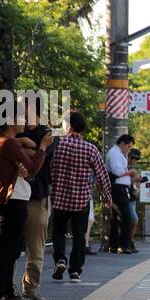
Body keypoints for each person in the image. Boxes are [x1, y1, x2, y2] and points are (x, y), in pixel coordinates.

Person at [0, 119, 52, 300]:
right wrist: (42, 147)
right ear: (8, 122)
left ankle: (7, 293)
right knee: (6, 251)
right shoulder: (7, 143)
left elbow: (26, 170)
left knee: (12, 250)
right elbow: (33, 169)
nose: (24, 121)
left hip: (13, 200)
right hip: (11, 202)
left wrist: (23, 165)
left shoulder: (5, 143)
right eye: (19, 118)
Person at [50, 111, 114, 282]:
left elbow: (46, 169)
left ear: (68, 126)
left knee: (58, 231)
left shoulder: (56, 145)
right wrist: (107, 197)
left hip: (59, 198)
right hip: (81, 199)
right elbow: (101, 175)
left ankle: (60, 259)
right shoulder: (90, 148)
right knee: (79, 234)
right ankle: (75, 271)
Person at [18, 103, 55, 300]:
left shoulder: (48, 135)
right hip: (14, 198)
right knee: (11, 249)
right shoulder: (17, 134)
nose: (21, 117)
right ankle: (9, 292)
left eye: (25, 112)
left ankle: (29, 290)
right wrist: (30, 147)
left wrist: (25, 147)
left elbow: (31, 157)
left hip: (37, 197)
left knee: (36, 249)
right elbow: (20, 152)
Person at [105, 134, 139, 254]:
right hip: (117, 188)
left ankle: (114, 244)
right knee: (126, 215)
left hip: (121, 187)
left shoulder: (119, 153)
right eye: (128, 146)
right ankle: (124, 245)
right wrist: (131, 172)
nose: (129, 149)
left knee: (116, 217)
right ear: (123, 144)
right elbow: (117, 171)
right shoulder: (114, 153)